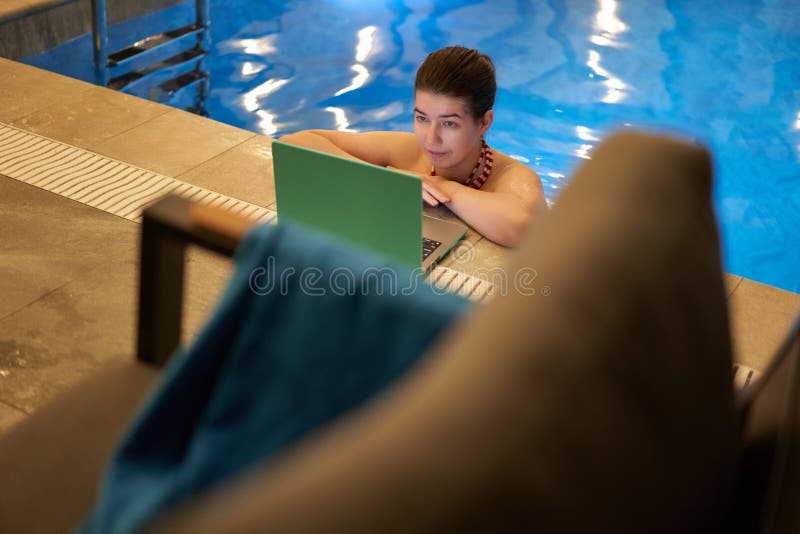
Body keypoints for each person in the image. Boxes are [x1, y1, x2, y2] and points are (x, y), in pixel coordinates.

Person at [279, 46, 546, 247]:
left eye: (449, 124)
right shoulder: (406, 150)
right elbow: (295, 143)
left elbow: (524, 228)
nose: (431, 139)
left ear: (484, 122)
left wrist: (444, 187)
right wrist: (386, 179)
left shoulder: (511, 177)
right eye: (422, 118)